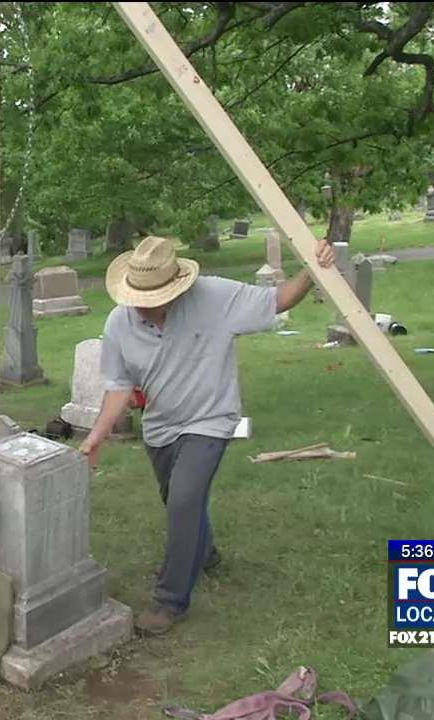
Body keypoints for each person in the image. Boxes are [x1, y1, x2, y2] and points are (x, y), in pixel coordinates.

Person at [79, 234, 335, 636]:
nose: (145, 308)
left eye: (155, 298)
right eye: (138, 300)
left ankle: (169, 602)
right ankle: (206, 552)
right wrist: (98, 434)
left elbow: (279, 300)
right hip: (161, 427)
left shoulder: (214, 297)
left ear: (175, 286)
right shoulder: (118, 324)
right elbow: (119, 386)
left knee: (183, 500)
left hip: (211, 420)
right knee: (177, 499)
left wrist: (313, 268)